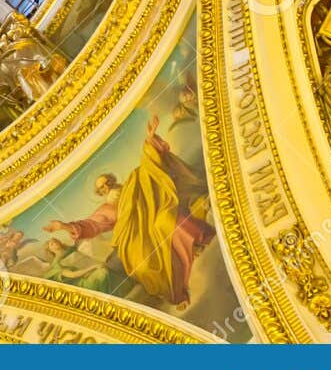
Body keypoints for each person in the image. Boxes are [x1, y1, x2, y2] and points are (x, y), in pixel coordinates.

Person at [45, 115, 213, 307]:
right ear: (101, 193)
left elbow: (150, 165)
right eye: (102, 188)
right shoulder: (107, 209)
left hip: (156, 215)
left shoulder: (134, 182)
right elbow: (92, 225)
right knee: (143, 262)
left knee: (167, 220)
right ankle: (175, 292)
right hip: (134, 238)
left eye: (106, 182)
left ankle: (197, 245)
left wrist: (150, 138)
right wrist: (64, 226)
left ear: (112, 179)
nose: (106, 187)